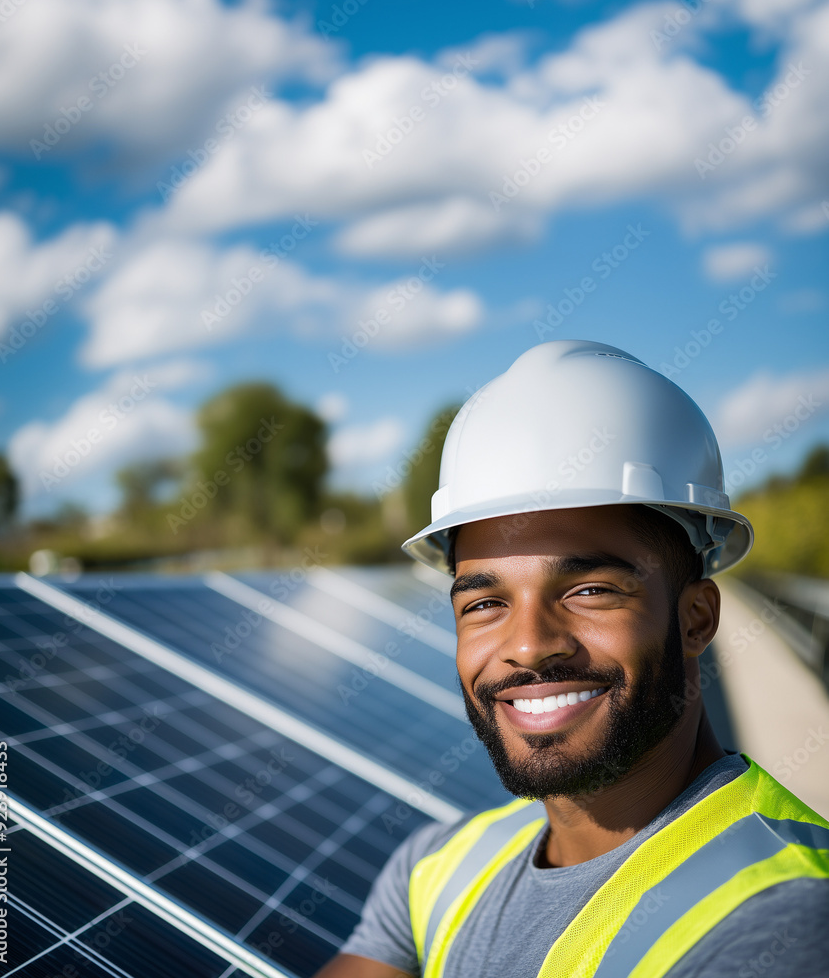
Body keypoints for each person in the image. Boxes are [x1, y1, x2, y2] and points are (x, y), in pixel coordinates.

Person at [314, 340, 829, 978]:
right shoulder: (437, 870)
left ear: (698, 619)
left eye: (589, 591)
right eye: (485, 604)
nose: (528, 646)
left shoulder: (787, 918)